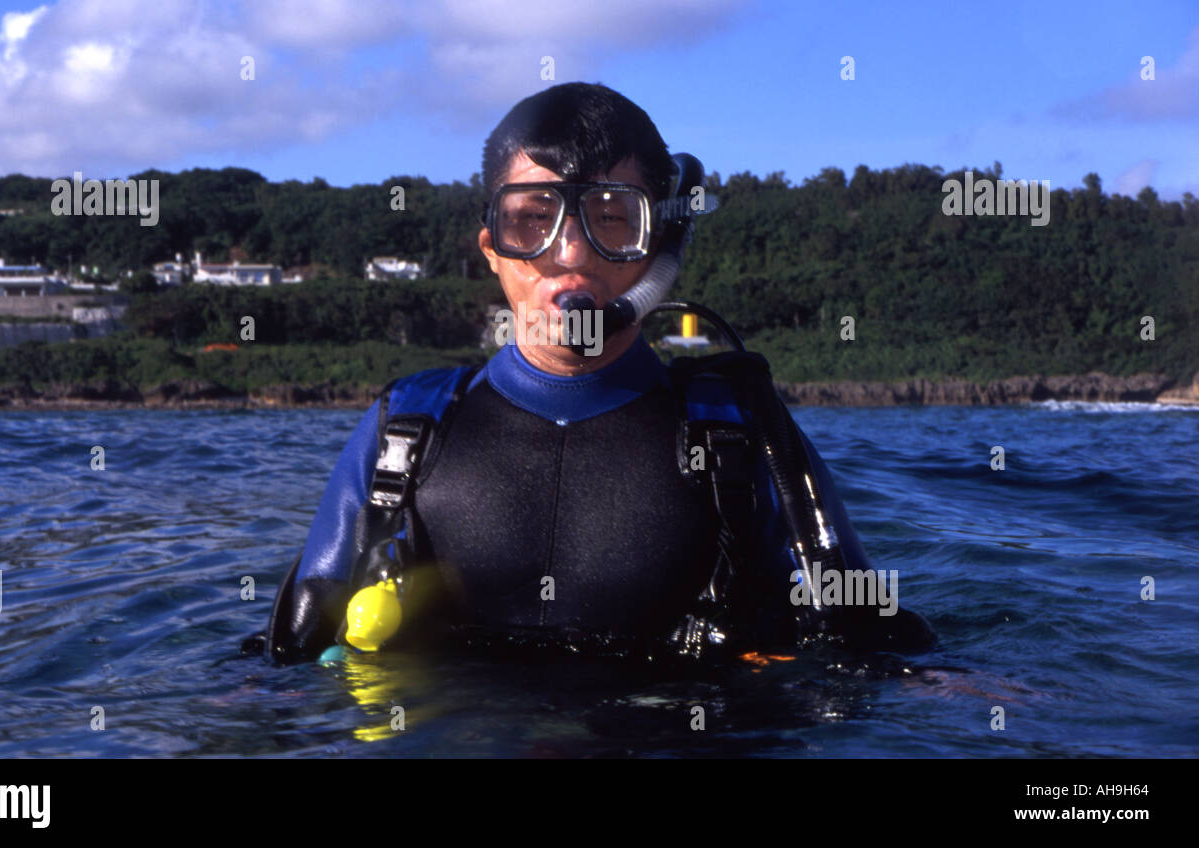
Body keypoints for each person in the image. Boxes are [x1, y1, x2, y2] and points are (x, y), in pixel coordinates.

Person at [254, 82, 934, 665]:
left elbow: (868, 643)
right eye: (532, 220)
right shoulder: (407, 429)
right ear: (493, 248)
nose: (571, 253)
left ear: (659, 248)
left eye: (613, 218)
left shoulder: (737, 434)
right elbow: (283, 663)